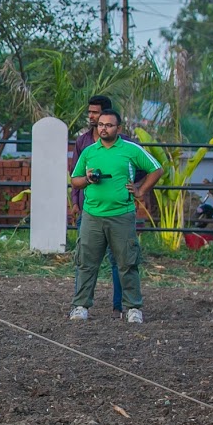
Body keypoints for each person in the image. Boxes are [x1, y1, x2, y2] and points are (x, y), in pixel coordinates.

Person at [68, 109, 162, 324]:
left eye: (109, 125)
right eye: (101, 124)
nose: (104, 128)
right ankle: (80, 305)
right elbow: (75, 180)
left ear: (118, 129)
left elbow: (156, 169)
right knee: (86, 262)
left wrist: (140, 190)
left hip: (122, 215)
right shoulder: (89, 151)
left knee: (127, 262)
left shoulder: (131, 149)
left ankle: (132, 307)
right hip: (92, 215)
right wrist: (88, 179)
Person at [71, 95, 126, 314]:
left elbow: (141, 167)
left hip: (117, 210)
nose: (91, 116)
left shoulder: (126, 143)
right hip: (89, 209)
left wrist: (133, 186)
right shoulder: (83, 142)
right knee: (85, 258)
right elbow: (74, 173)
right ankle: (80, 305)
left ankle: (120, 305)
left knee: (120, 260)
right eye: (91, 113)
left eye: (96, 113)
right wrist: (75, 200)